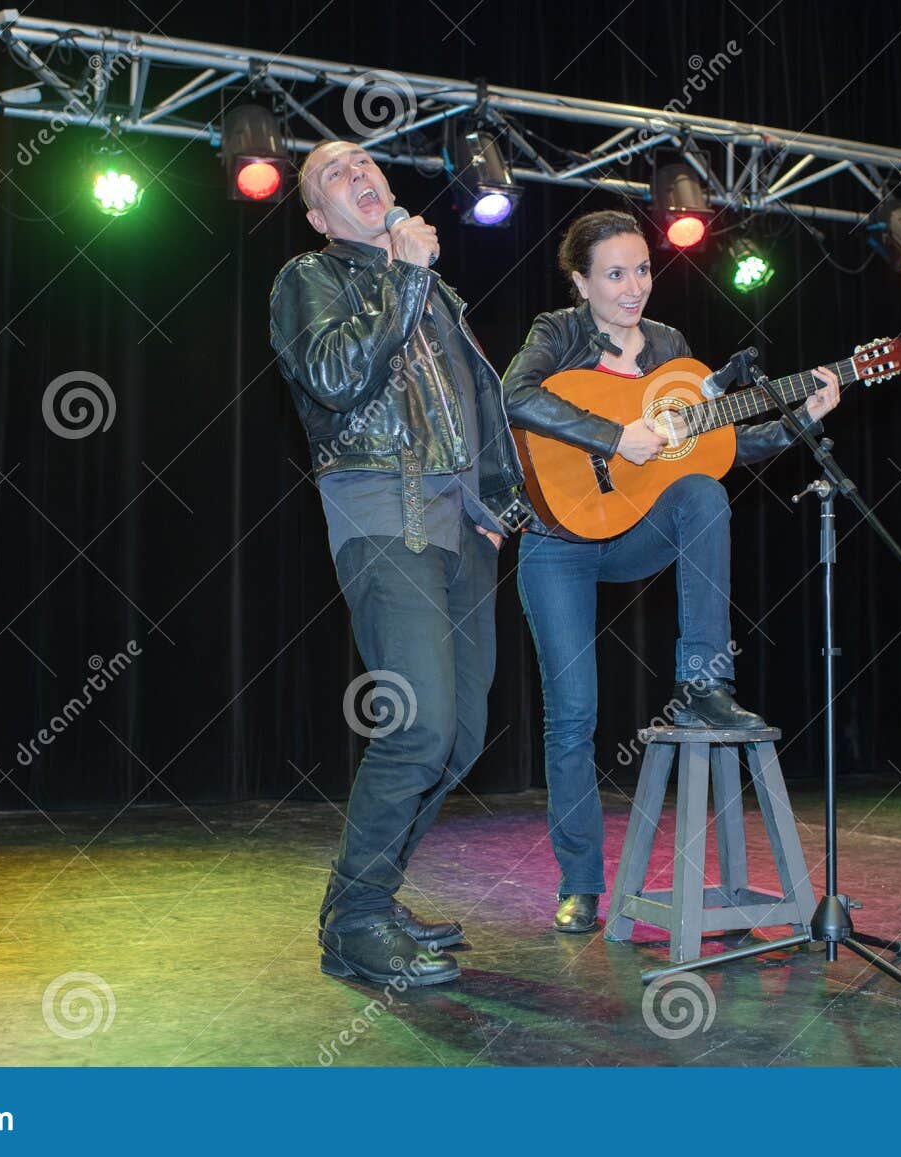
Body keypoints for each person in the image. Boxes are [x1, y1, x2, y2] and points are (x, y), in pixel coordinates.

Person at [502, 209, 842, 934]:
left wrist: (798, 420)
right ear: (581, 281)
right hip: (557, 537)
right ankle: (581, 882)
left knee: (702, 490)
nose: (633, 288)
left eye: (643, 270)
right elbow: (515, 397)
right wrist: (614, 434)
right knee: (574, 718)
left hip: (635, 531)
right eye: (615, 273)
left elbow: (713, 448)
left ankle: (703, 682)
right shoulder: (555, 332)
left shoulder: (671, 348)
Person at [268, 140, 532, 986]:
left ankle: (373, 892)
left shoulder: (433, 286)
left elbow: (474, 399)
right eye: (335, 176)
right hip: (383, 504)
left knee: (458, 736)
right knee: (416, 724)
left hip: (461, 522)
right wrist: (403, 274)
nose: (360, 175)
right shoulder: (311, 277)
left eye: (366, 164)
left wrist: (499, 511)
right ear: (317, 216)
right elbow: (339, 376)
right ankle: (355, 922)